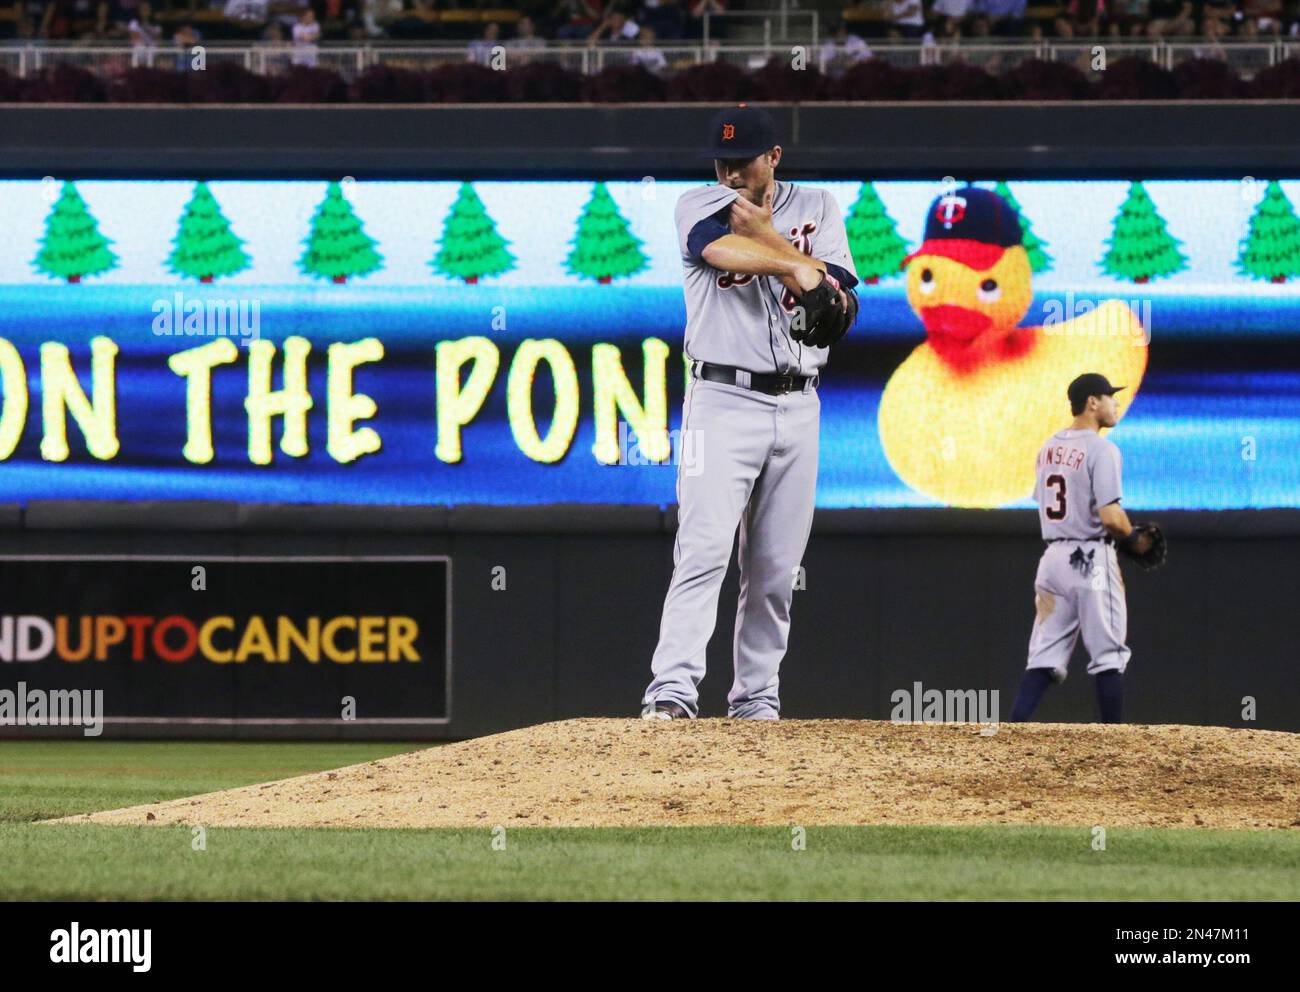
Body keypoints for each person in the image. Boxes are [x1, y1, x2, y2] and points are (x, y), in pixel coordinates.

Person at [641, 104, 860, 721]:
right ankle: (673, 692)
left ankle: (756, 699)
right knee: (703, 549)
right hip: (720, 400)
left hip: (800, 403)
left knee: (775, 572)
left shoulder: (819, 205)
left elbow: (841, 297)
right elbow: (719, 253)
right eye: (723, 162)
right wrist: (796, 266)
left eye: (744, 162)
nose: (732, 174)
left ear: (774, 158)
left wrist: (775, 242)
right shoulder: (697, 203)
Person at [1009, 373, 1161, 725]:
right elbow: (1110, 517)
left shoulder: (1048, 447)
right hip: (1090, 559)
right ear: (1092, 402)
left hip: (1052, 561)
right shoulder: (1102, 449)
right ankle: (1113, 741)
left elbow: (1047, 501)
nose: (1116, 404)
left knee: (1044, 656)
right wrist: (1132, 537)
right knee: (1108, 654)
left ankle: (1013, 734)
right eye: (1110, 397)